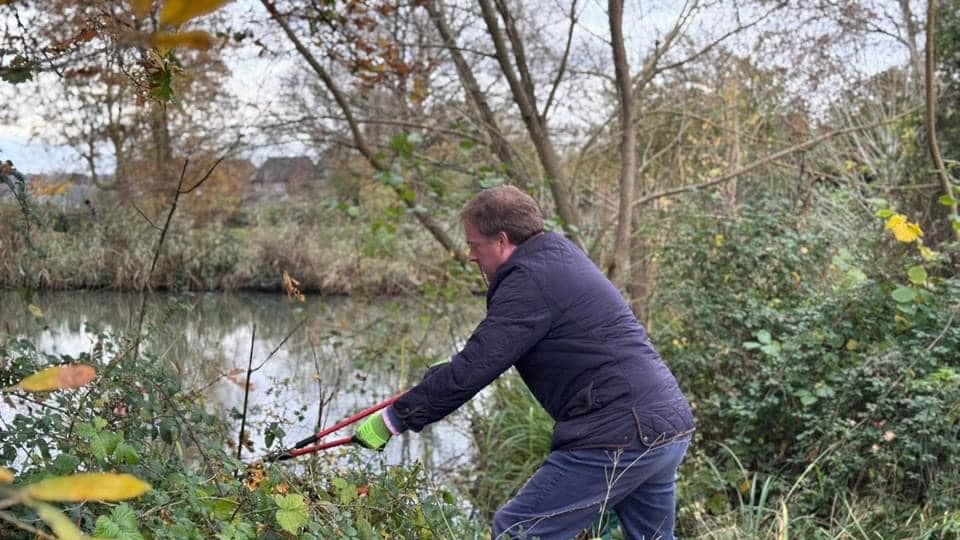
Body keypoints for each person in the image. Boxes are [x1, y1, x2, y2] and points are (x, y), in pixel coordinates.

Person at [354, 185, 695, 540]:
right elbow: (492, 353)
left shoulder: (529, 279)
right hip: (667, 423)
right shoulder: (558, 255)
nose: (471, 256)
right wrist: (451, 370)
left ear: (501, 241)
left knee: (517, 530)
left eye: (474, 245)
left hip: (620, 432)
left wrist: (395, 419)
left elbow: (477, 366)